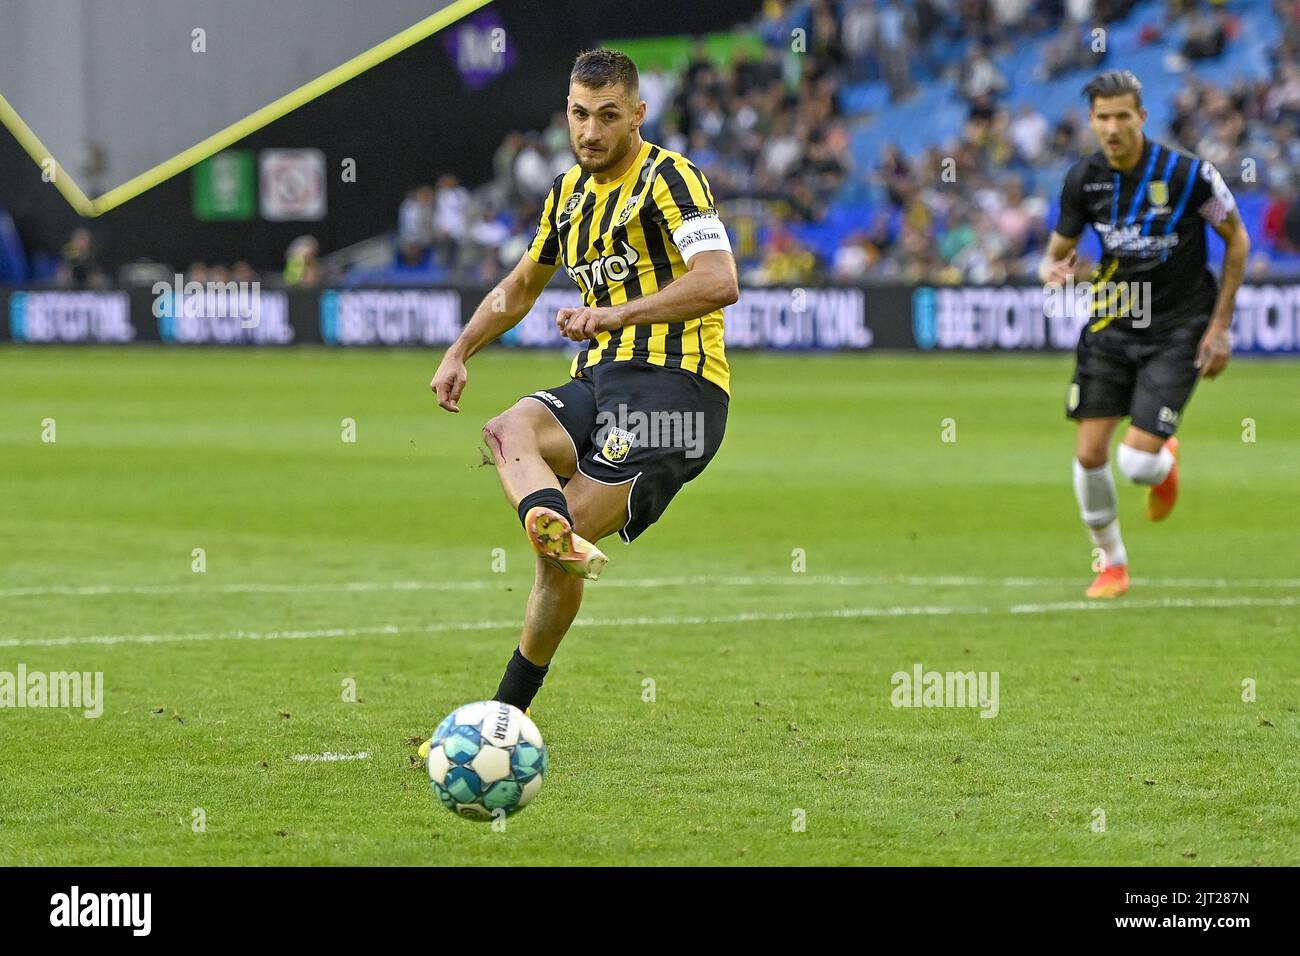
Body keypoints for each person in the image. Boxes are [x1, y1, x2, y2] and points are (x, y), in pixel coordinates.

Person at [427, 48, 738, 718]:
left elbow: (720, 280)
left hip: (677, 394)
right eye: (577, 114)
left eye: (607, 116)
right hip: (601, 379)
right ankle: (548, 518)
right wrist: (460, 350)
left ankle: (504, 717)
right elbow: (518, 289)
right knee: (505, 431)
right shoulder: (567, 196)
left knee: (558, 561)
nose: (589, 131)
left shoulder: (669, 178)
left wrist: (617, 312)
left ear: (637, 115)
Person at [1038, 70, 1250, 599]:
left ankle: (1164, 458)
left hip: (1180, 328)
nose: (1112, 128)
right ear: (1091, 120)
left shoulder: (1189, 177)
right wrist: (1059, 271)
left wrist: (1220, 327)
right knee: (1089, 455)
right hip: (1112, 322)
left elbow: (1237, 240)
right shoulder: (1082, 180)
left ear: (1142, 117)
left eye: (1122, 117)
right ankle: (1112, 563)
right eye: (1102, 118)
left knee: (1136, 463)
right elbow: (1055, 256)